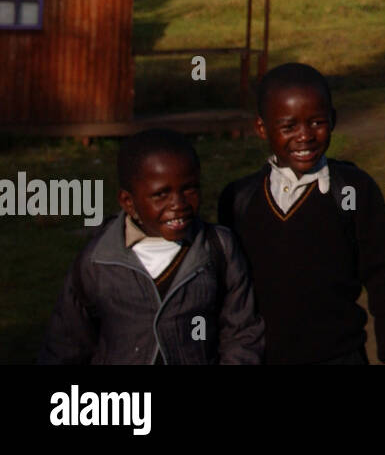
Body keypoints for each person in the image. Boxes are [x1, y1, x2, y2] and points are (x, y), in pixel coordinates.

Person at [219, 63, 385, 364]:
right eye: (288, 126)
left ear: (333, 120)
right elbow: (227, 293)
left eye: (317, 122)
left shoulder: (351, 190)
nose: (305, 136)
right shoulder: (240, 199)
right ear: (261, 128)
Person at [39, 129, 264, 364]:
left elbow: (242, 333)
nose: (178, 204)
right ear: (128, 202)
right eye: (161, 194)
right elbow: (66, 343)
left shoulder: (220, 248)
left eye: (189, 189)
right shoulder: (97, 261)